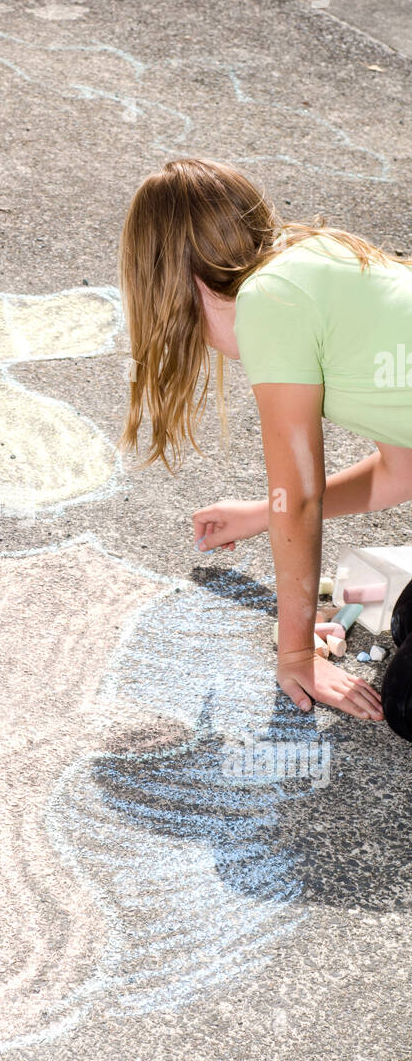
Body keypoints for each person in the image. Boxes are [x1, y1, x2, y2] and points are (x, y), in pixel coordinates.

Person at [118, 156, 412, 727]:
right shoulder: (308, 266)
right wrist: (260, 513)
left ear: (169, 284)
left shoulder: (268, 304)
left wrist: (297, 652)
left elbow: (297, 499)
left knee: (405, 701)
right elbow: (403, 472)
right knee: (404, 622)